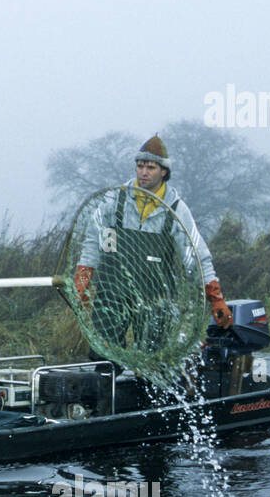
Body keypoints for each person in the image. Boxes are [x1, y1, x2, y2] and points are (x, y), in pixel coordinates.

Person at [73, 135, 233, 357]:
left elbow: (197, 257)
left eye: (150, 167)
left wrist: (216, 298)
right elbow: (92, 243)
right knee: (102, 357)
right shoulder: (113, 201)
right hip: (112, 294)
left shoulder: (177, 210)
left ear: (164, 172)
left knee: (152, 358)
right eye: (140, 166)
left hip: (156, 299)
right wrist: (82, 281)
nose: (143, 172)